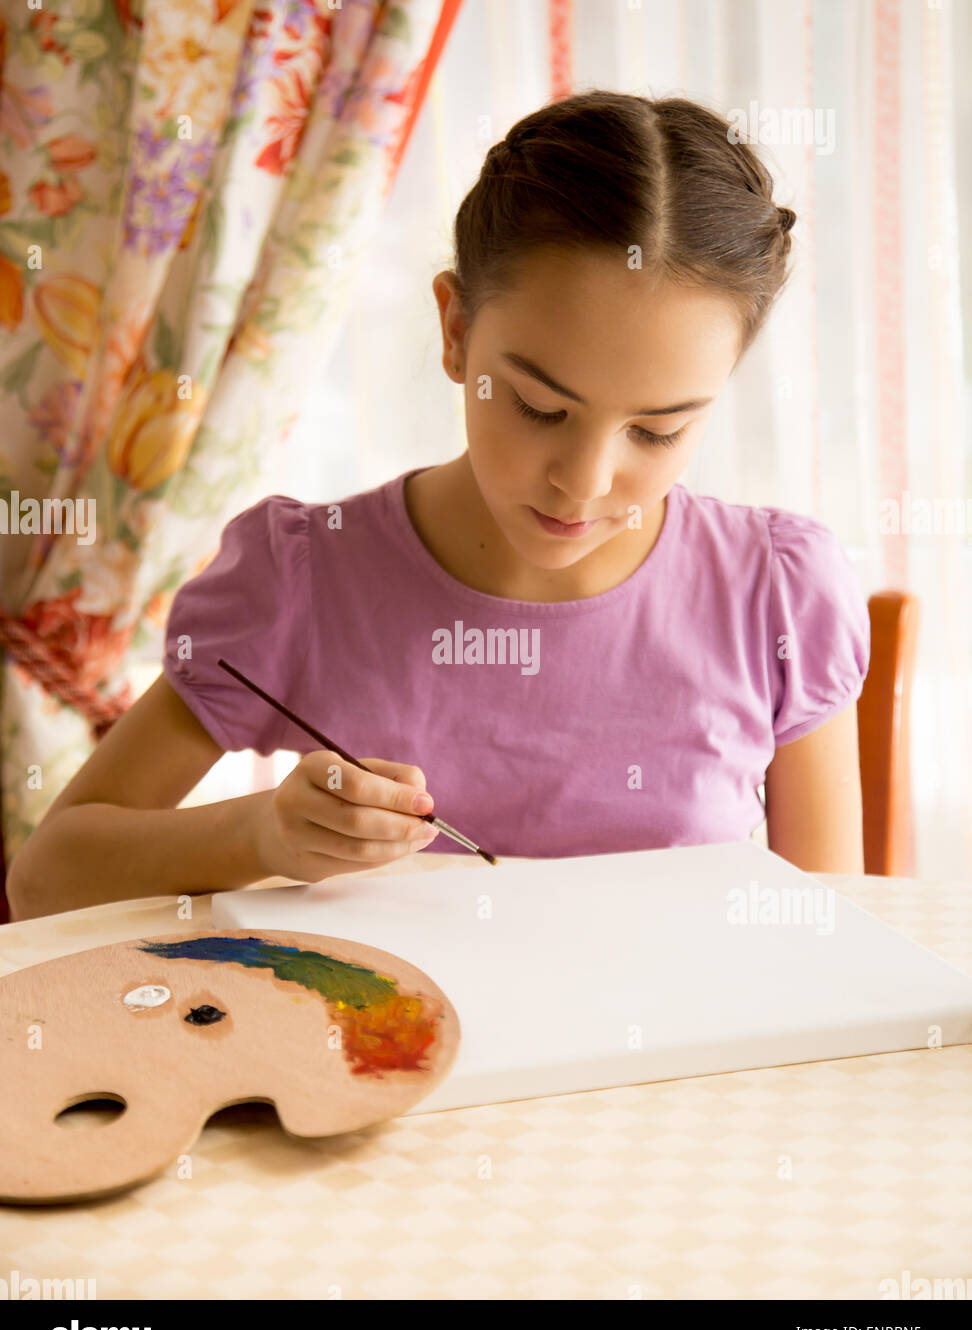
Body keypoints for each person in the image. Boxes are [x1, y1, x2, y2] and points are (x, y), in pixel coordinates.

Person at [6, 90, 869, 920]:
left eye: (657, 431)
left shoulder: (775, 593)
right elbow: (49, 879)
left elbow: (829, 938)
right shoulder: (303, 577)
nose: (585, 480)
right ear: (456, 331)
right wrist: (259, 835)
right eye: (540, 408)